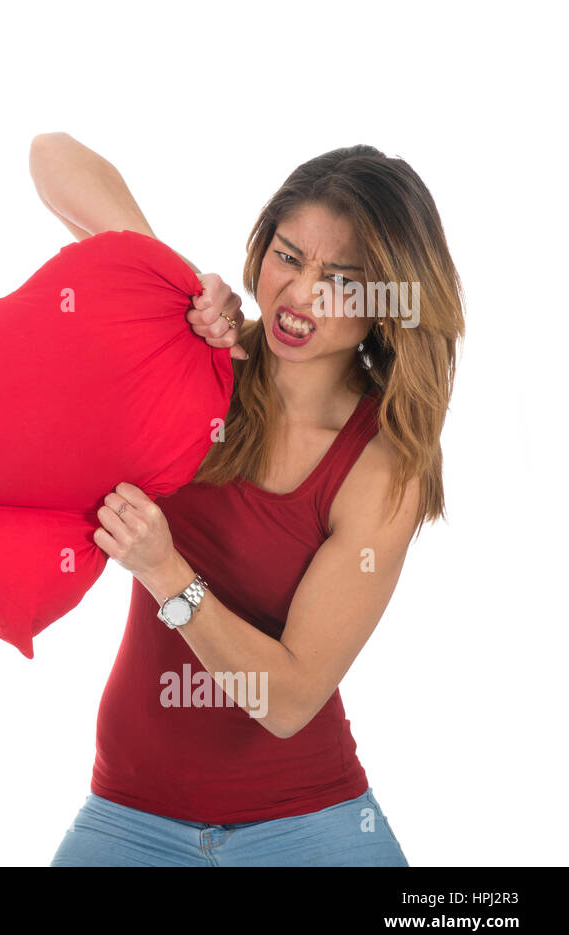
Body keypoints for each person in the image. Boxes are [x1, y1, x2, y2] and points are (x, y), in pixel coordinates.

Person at [29, 133, 463, 865]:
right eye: (288, 257)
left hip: (309, 826)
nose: (298, 295)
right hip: (130, 814)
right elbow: (50, 157)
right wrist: (169, 280)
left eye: (341, 280)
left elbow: (290, 699)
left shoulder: (384, 465)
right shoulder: (197, 352)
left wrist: (164, 571)